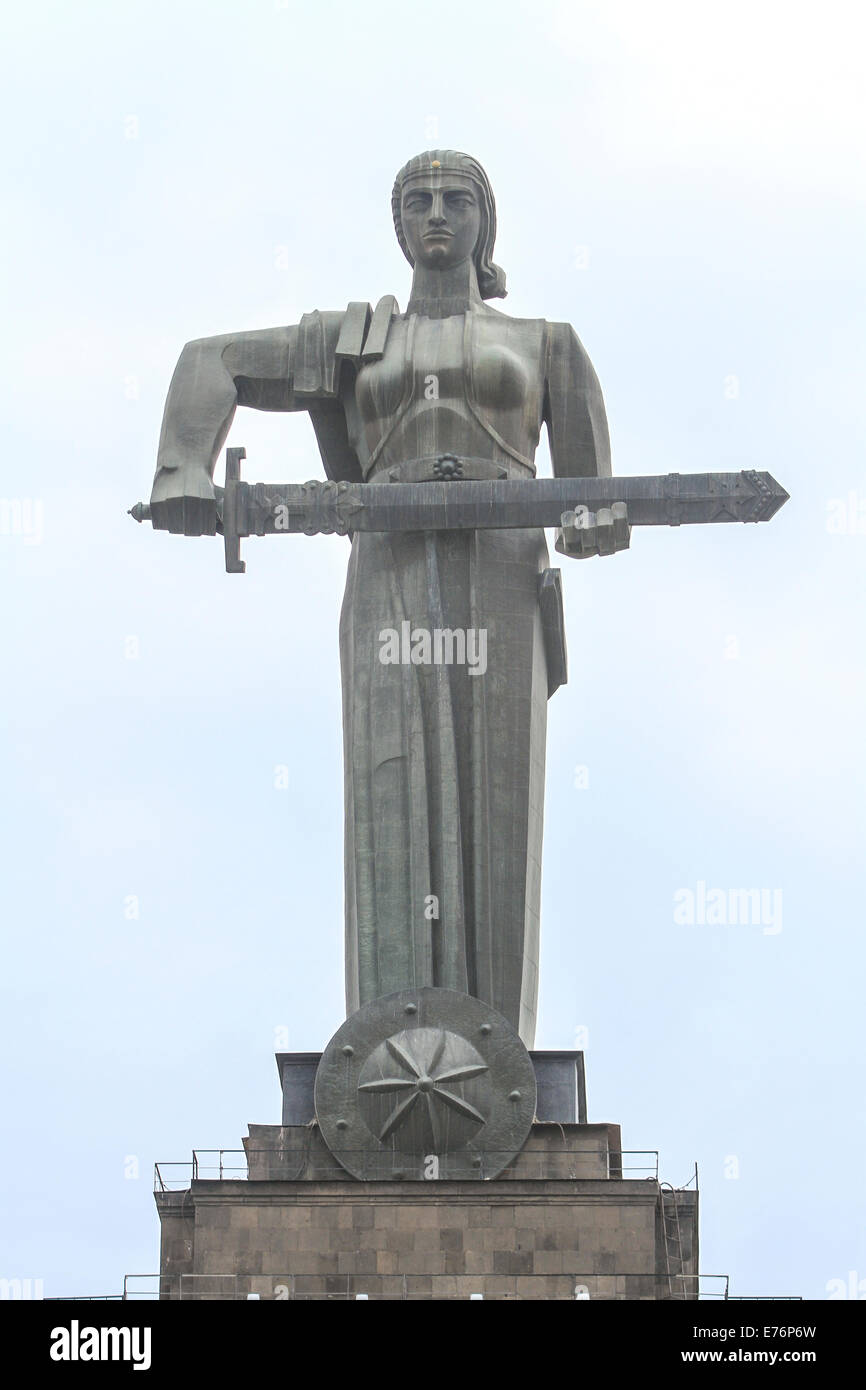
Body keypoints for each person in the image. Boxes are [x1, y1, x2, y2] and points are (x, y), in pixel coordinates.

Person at [149, 150, 628, 1047]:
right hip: (389, 562)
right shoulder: (355, 337)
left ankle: (491, 1050)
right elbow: (207, 359)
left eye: (456, 199)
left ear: (488, 223)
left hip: (501, 566)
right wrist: (182, 466)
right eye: (418, 200)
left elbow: (593, 495)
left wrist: (594, 518)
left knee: (496, 795)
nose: (437, 212)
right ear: (397, 223)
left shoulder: (544, 343)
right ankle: (387, 1042)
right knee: (390, 777)